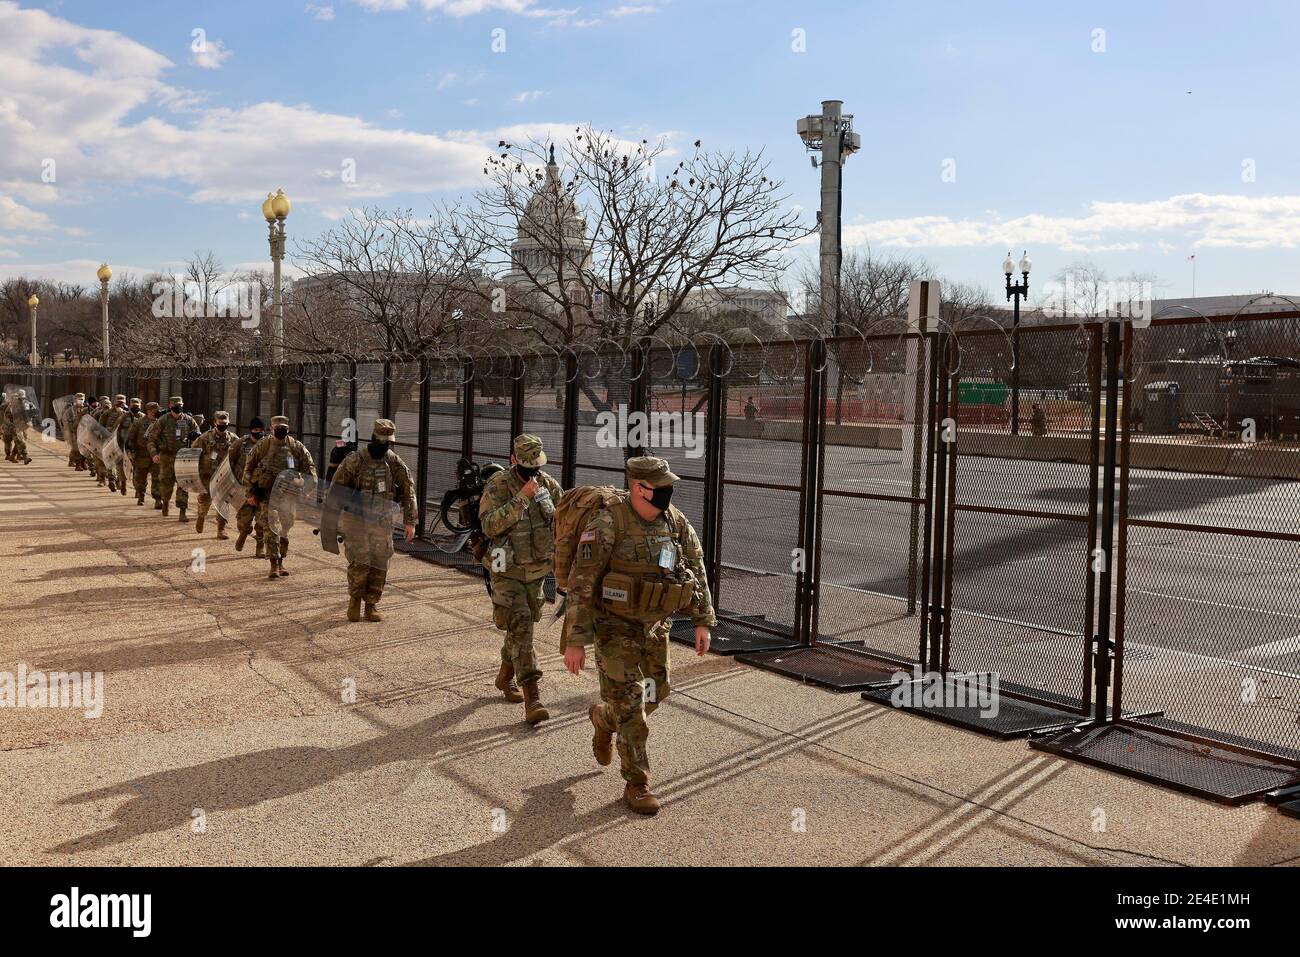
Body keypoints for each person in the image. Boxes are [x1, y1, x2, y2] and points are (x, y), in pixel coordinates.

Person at [562, 455, 715, 815]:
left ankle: (603, 718)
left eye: (668, 486)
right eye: (659, 487)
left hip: (654, 626)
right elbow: (582, 583)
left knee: (655, 692)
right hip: (614, 627)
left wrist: (702, 620)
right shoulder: (606, 524)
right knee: (632, 703)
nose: (667, 492)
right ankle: (637, 781)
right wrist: (575, 640)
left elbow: (695, 566)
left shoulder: (674, 522)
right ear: (637, 487)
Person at [478, 433, 564, 725]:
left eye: (536, 466)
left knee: (519, 630)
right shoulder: (498, 486)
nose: (533, 472)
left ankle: (504, 677)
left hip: (537, 573)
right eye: (526, 466)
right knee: (523, 630)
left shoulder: (548, 484)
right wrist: (522, 499)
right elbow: (489, 525)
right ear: (512, 459)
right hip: (507, 572)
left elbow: (563, 521)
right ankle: (533, 698)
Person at [329, 418, 416, 622]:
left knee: (379, 563)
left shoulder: (393, 462)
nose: (385, 445)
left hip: (382, 522)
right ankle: (355, 602)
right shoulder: (355, 460)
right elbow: (336, 490)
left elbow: (408, 490)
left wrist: (410, 521)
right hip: (356, 521)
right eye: (382, 440)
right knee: (360, 562)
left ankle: (371, 604)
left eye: (388, 442)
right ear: (374, 438)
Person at [241, 415, 316, 580]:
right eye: (277, 429)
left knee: (285, 526)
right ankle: (274, 564)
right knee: (270, 526)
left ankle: (281, 559)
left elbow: (309, 467)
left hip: (288, 493)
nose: (280, 431)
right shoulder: (263, 445)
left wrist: (309, 488)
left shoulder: (296, 447)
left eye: (283, 429)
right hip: (267, 493)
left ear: (288, 430)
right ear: (271, 429)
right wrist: (250, 493)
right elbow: (248, 467)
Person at [190, 411, 240, 538]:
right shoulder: (205, 438)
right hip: (207, 476)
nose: (223, 426)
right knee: (204, 500)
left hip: (225, 477)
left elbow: (240, 456)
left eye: (225, 424)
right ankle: (201, 516)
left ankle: (221, 529)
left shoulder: (233, 439)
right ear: (214, 423)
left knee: (223, 502)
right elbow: (194, 451)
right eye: (220, 424)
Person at [147, 396, 197, 520]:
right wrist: (154, 454)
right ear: (170, 406)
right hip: (166, 457)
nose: (178, 407)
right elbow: (152, 439)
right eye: (175, 405)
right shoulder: (163, 421)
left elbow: (198, 437)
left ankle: (182, 511)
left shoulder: (189, 420)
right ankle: (165, 502)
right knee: (166, 483)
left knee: (183, 484)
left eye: (180, 404)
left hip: (184, 457)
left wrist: (194, 437)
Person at [230, 418, 266, 557]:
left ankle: (260, 546)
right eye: (256, 430)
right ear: (251, 430)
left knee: (262, 520)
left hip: (262, 488)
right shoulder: (241, 443)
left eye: (261, 430)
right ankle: (243, 534)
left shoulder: (267, 444)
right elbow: (230, 461)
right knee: (244, 520)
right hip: (243, 488)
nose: (258, 433)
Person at [128, 402, 161, 507]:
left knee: (157, 477)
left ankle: (158, 499)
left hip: (156, 455)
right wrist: (130, 452)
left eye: (155, 411)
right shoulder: (139, 423)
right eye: (151, 411)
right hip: (141, 455)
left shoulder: (161, 423)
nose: (153, 413)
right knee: (140, 477)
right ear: (147, 411)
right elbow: (130, 438)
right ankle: (141, 494)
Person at [3, 389, 33, 465]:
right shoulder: (12, 405)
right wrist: (13, 418)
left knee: (18, 442)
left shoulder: (24, 404)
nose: (22, 399)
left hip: (20, 426)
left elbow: (27, 415)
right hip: (14, 427)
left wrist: (31, 414)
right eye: (21, 398)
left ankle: (12, 456)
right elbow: (7, 414)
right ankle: (25, 457)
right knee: (21, 441)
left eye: (23, 398)